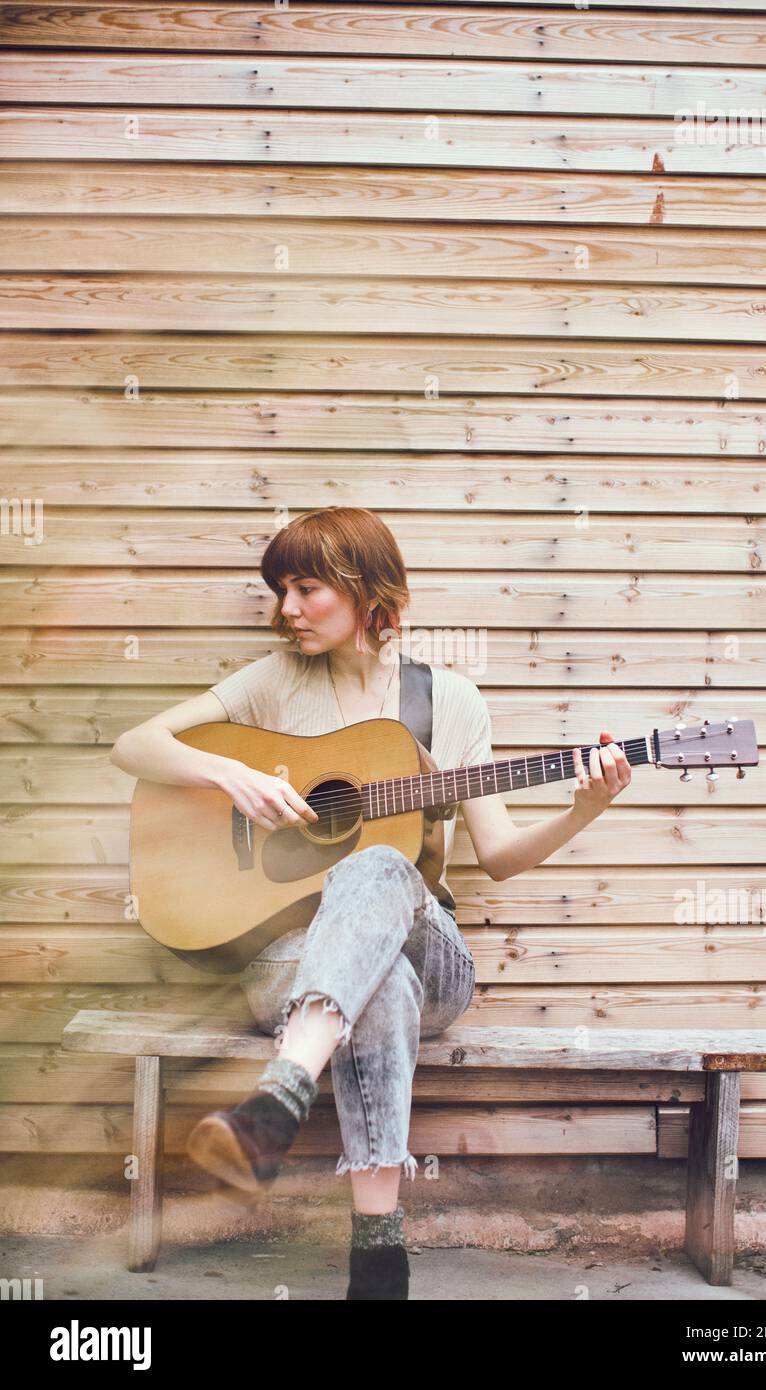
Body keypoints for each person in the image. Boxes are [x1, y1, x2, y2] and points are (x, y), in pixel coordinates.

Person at [109, 506, 631, 1299]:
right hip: (293, 958)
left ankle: (282, 1087)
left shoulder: (447, 701)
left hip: (433, 954)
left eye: (305, 587)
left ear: (365, 591)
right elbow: (134, 746)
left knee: (383, 866)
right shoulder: (274, 684)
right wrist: (232, 777)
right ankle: (379, 1258)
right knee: (376, 980)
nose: (285, 609)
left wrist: (581, 811)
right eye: (279, 589)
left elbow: (498, 856)